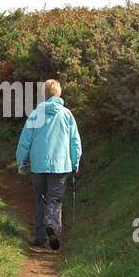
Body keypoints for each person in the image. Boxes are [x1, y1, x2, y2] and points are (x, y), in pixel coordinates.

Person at [15, 78, 82, 251]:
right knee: (55, 199)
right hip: (61, 166)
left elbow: (25, 141)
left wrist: (21, 162)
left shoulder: (36, 114)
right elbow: (75, 142)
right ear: (59, 94)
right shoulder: (67, 115)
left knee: (40, 198)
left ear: (44, 95)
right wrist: (75, 163)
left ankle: (40, 237)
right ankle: (52, 227)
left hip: (38, 165)